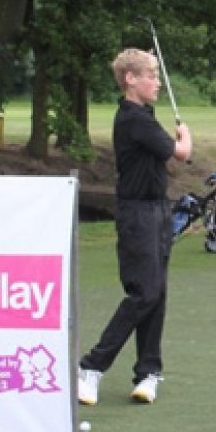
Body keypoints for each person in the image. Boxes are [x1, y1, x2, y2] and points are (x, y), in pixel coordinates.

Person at [78, 48, 192, 406]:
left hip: (158, 212)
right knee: (143, 293)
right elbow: (181, 153)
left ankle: (148, 372)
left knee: (157, 293)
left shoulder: (144, 114)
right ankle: (91, 367)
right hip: (137, 215)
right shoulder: (132, 119)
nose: (157, 82)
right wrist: (185, 136)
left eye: (158, 76)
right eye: (150, 75)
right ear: (130, 79)